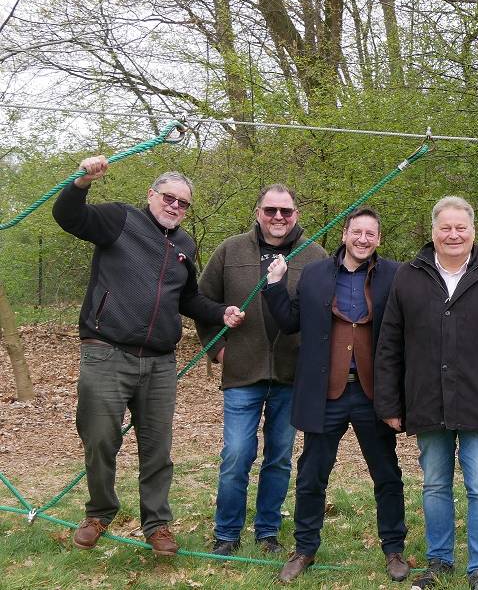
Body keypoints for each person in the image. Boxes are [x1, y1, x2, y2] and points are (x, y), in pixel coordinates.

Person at [54, 157, 244, 556]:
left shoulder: (185, 245)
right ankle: (99, 513)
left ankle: (157, 524)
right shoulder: (119, 220)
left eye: (183, 203)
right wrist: (81, 182)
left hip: (160, 363)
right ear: (151, 195)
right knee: (101, 439)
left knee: (157, 448)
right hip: (106, 353)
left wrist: (219, 311)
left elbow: (188, 298)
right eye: (169, 198)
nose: (175, 206)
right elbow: (68, 216)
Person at [375, 196, 478, 590]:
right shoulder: (409, 277)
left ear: (474, 232)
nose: (453, 234)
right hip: (426, 400)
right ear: (433, 232)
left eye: (461, 227)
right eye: (446, 227)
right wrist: (390, 403)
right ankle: (439, 560)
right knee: (435, 485)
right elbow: (390, 344)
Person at [262, 208, 409, 583]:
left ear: (378, 239)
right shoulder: (314, 274)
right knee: (312, 474)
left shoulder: (395, 275)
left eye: (370, 234)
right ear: (344, 234)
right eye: (357, 232)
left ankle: (394, 549)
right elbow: (290, 321)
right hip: (325, 393)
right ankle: (304, 549)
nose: (363, 239)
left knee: (387, 475)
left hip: (373, 394)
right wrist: (275, 284)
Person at [195, 184, 327, 556]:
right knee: (237, 454)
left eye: (286, 211)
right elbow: (201, 301)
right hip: (242, 372)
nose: (278, 217)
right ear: (258, 212)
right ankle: (227, 532)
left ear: (296, 215)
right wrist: (217, 348)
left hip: (291, 375)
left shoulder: (314, 255)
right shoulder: (230, 250)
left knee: (280, 457)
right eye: (271, 210)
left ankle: (267, 531)